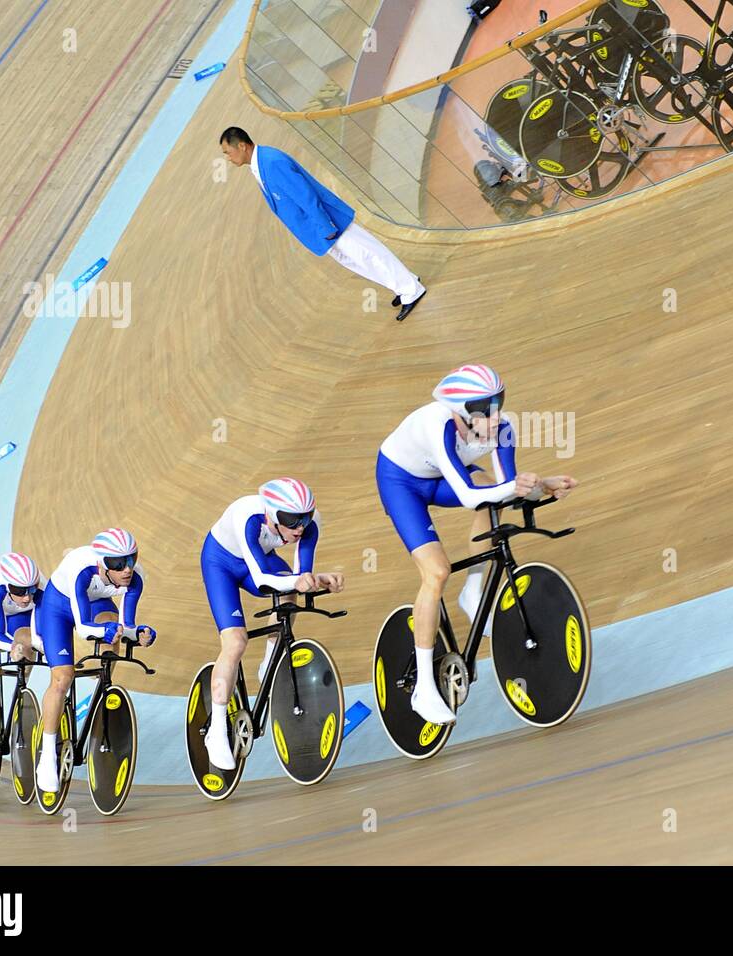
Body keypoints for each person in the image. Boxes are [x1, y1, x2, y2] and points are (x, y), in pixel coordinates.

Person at [375, 364, 577, 724]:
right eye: (485, 409)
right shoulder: (437, 425)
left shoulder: (503, 428)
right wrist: (518, 487)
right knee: (437, 573)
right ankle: (424, 688)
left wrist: (543, 485)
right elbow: (469, 495)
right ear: (461, 412)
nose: (495, 416)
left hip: (438, 476)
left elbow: (507, 490)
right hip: (400, 482)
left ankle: (473, 591)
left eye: (498, 403)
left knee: (491, 492)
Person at [199, 478, 344, 770]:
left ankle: (268, 664)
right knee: (235, 642)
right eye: (292, 520)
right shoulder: (248, 516)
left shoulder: (310, 523)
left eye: (305, 518)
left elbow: (302, 576)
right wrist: (303, 580)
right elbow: (263, 579)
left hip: (259, 560)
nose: (300, 528)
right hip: (221, 564)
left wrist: (316, 580)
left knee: (291, 591)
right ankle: (216, 731)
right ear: (272, 515)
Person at [218, 127, 428, 321]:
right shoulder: (260, 165)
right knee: (356, 261)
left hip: (326, 222)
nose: (227, 158)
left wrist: (325, 225)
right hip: (317, 228)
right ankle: (404, 283)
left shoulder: (271, 163)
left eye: (228, 152)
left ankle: (411, 290)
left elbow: (304, 195)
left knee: (367, 254)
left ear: (242, 146)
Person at [32, 528, 155, 792]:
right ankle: (47, 756)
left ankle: (102, 690)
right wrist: (106, 631)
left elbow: (126, 625)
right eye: (118, 563)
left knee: (114, 630)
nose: (127, 569)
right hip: (59, 607)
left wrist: (139, 633)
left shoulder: (135, 578)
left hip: (97, 602)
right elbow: (83, 628)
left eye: (131, 559)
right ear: (102, 563)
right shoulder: (82, 569)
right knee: (62, 678)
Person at [0, 552, 45, 780]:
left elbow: (42, 631)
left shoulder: (41, 589)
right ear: (8, 585)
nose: (26, 597)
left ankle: (20, 696)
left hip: (21, 617)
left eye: (31, 590)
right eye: (20, 591)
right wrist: (13, 648)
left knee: (27, 651)